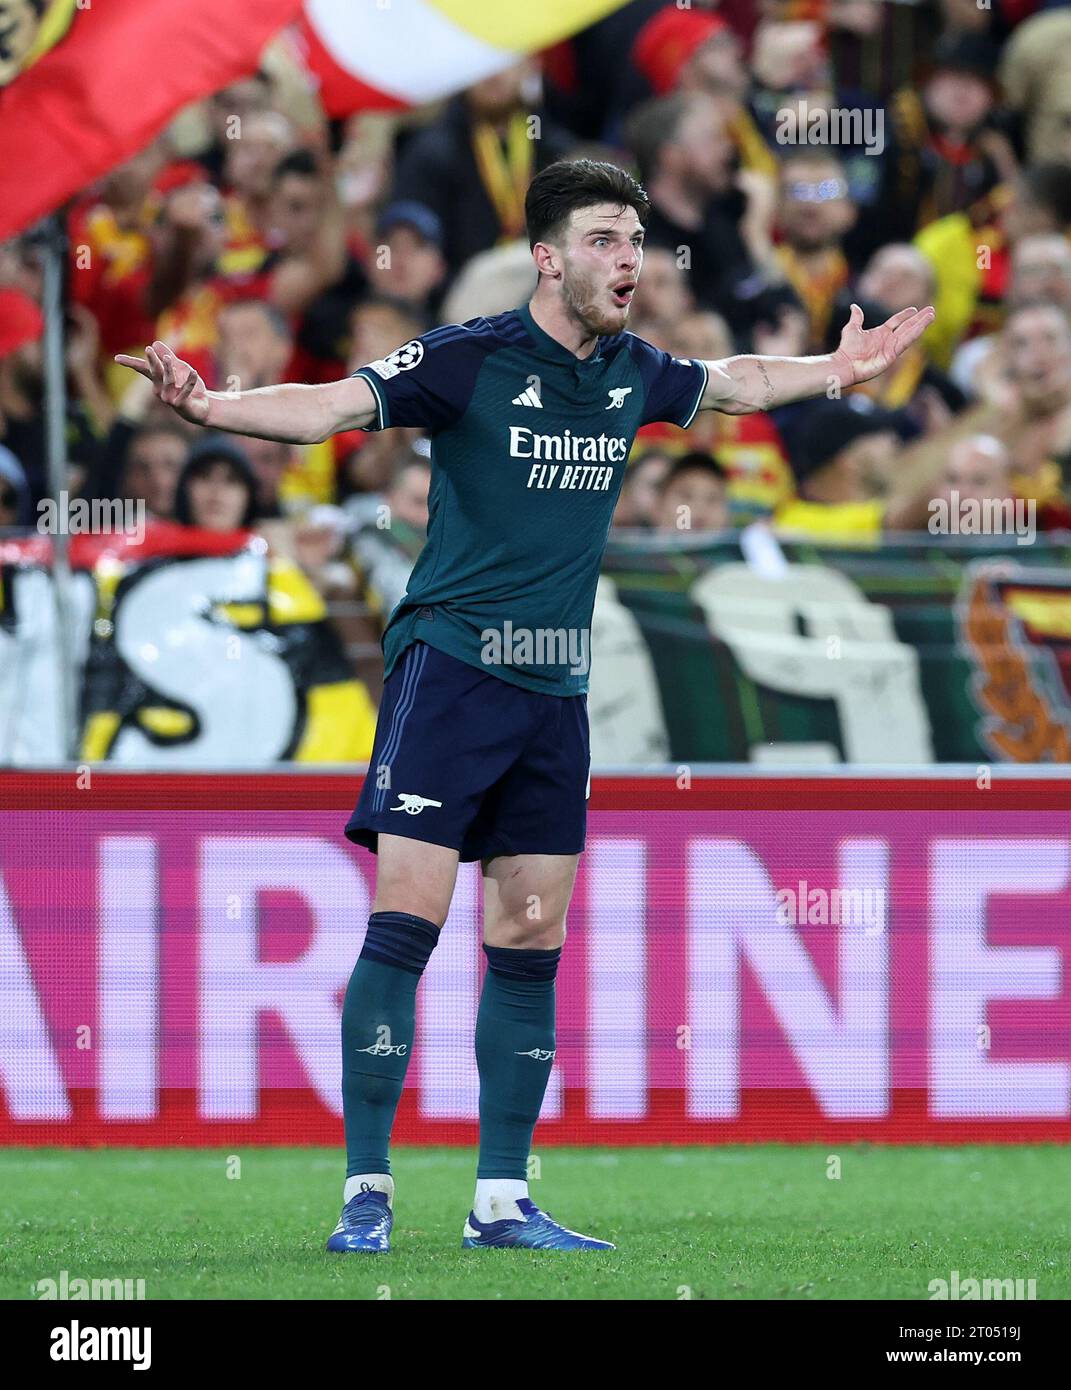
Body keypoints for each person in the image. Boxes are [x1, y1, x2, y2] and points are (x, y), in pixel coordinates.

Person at [116, 157, 934, 1254]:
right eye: (604, 239)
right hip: (450, 669)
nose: (628, 258)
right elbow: (327, 410)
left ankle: (501, 1198)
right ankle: (367, 1189)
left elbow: (735, 380)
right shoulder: (467, 358)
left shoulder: (635, 370)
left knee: (529, 938)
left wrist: (840, 370)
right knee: (408, 923)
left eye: (635, 241)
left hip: (557, 688)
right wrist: (212, 402)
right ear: (548, 258)